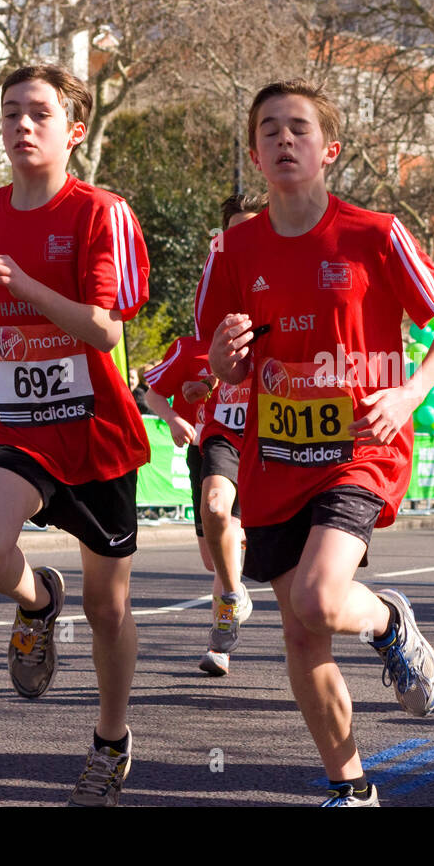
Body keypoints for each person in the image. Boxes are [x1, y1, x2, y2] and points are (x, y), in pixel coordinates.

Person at [196, 79, 434, 806]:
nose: (284, 140)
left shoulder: (374, 234)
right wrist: (224, 359)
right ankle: (351, 787)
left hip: (360, 448)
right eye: (269, 131)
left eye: (299, 129)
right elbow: (217, 364)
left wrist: (413, 391)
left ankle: (386, 619)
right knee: (301, 637)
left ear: (329, 149)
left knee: (320, 600)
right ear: (255, 153)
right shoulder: (234, 247)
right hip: (276, 458)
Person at [0, 63, 151, 805]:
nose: (20, 126)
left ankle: (111, 738)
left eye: (38, 114)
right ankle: (34, 601)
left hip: (93, 431)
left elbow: (102, 326)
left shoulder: (102, 212)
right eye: (9, 114)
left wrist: (24, 285)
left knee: (108, 607)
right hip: (18, 421)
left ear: (74, 130)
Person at [181, 191, 269, 675]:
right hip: (225, 425)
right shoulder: (215, 282)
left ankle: (225, 632)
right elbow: (205, 355)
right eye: (234, 230)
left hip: (274, 430)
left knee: (243, 542)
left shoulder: (286, 279)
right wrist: (205, 380)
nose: (243, 239)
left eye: (253, 228)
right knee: (217, 513)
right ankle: (230, 608)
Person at [143, 330, 250, 674]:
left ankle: (221, 642)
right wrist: (174, 418)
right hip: (201, 451)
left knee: (228, 522)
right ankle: (236, 590)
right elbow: (154, 395)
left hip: (248, 447)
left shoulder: (261, 339)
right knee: (212, 558)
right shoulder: (187, 348)